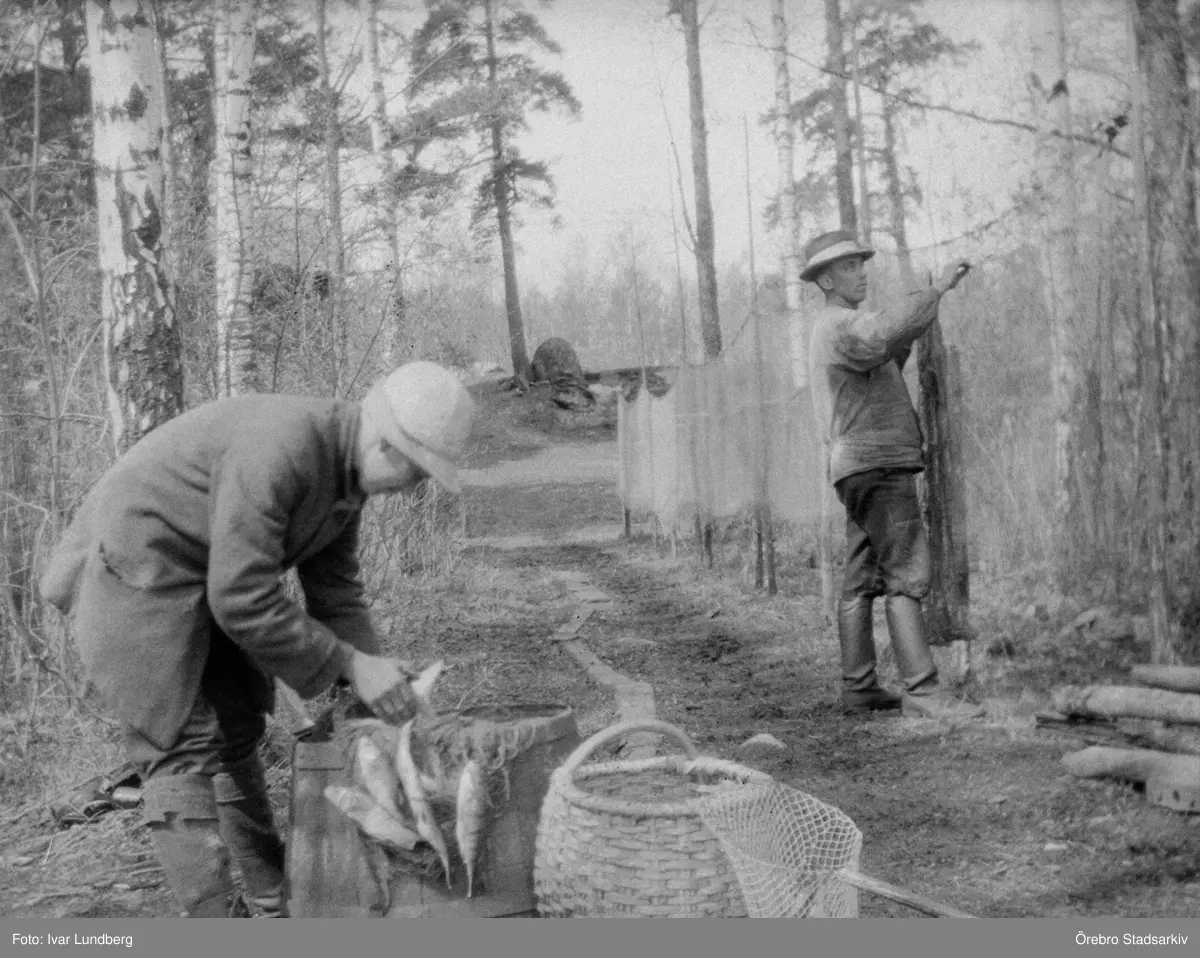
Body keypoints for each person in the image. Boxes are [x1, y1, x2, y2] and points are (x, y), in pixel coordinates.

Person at [38, 360, 476, 917]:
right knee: (179, 746)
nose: (409, 488)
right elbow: (241, 597)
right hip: (134, 572)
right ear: (387, 444)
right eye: (415, 473)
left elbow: (338, 595)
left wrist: (378, 682)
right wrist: (350, 664)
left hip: (205, 575)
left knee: (237, 725)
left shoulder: (345, 476)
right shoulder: (285, 448)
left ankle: (274, 904)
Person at [799, 229, 984, 721]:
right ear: (825, 281)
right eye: (849, 267)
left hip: (857, 467)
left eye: (861, 263)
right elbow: (883, 333)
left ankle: (859, 687)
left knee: (861, 577)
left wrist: (915, 320)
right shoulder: (841, 324)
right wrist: (937, 290)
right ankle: (923, 691)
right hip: (878, 465)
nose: (861, 273)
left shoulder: (839, 330)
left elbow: (886, 349)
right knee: (906, 571)